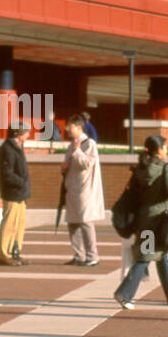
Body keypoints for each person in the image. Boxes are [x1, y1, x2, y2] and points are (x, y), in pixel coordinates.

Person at [114, 134, 168, 310]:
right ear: (159, 150)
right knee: (145, 257)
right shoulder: (165, 169)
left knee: (161, 257)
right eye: (165, 147)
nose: (167, 150)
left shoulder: (140, 169)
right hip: (159, 220)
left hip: (143, 219)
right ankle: (124, 294)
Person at [61, 113, 104, 266]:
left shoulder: (89, 143)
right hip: (72, 188)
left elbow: (88, 163)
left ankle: (93, 256)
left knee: (86, 222)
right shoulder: (71, 144)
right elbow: (67, 164)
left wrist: (77, 151)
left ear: (79, 127)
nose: (67, 130)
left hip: (85, 189)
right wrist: (64, 167)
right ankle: (79, 255)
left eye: (70, 127)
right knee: (72, 222)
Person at [0, 123, 30, 265]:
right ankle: (4, 253)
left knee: (19, 225)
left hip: (20, 194)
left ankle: (15, 252)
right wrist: (22, 182)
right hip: (12, 192)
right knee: (9, 224)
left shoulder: (18, 148)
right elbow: (6, 173)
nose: (28, 135)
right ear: (18, 134)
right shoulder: (7, 149)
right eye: (27, 132)